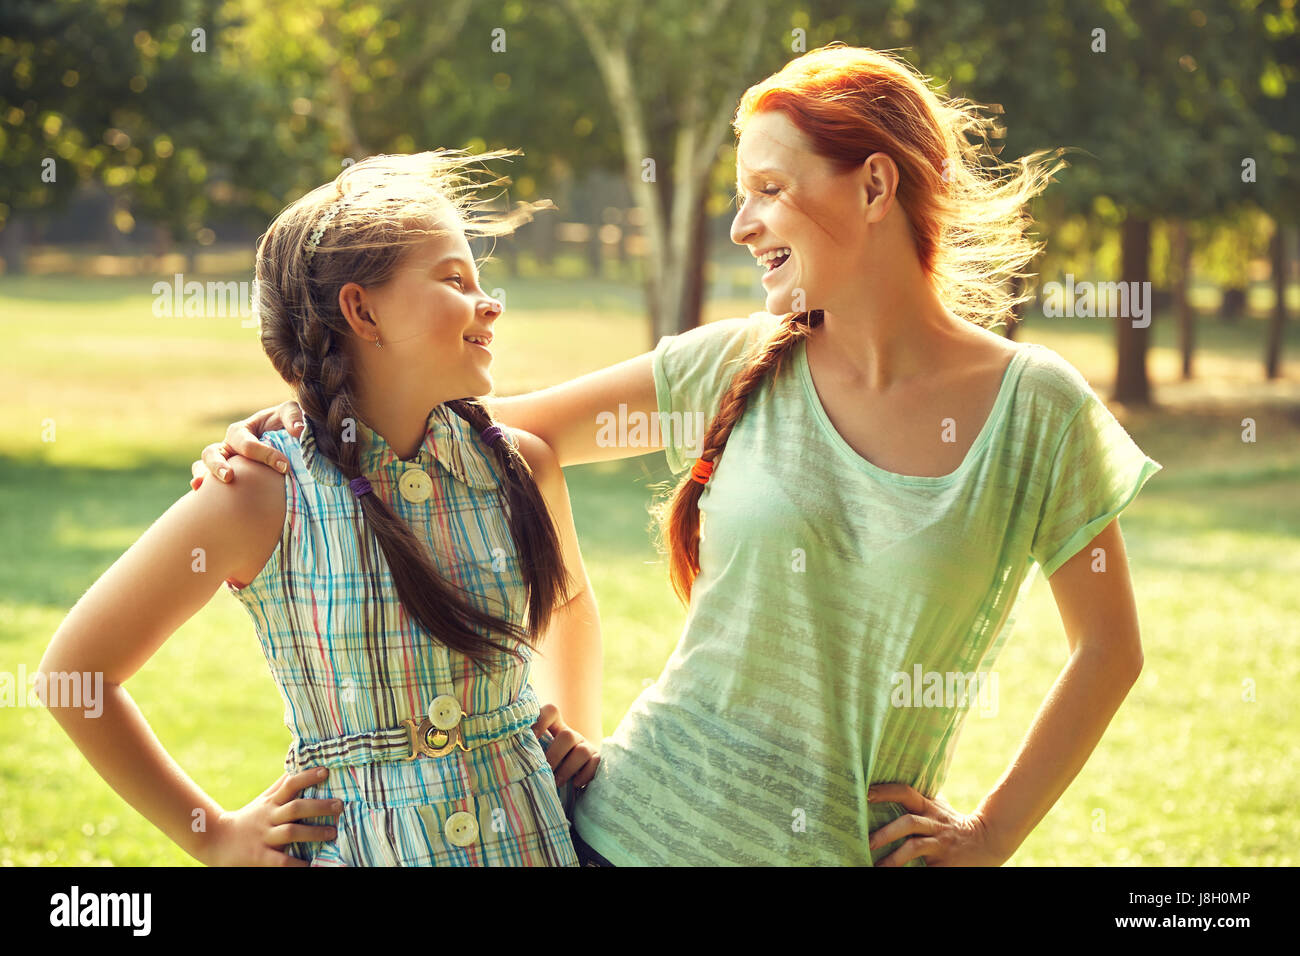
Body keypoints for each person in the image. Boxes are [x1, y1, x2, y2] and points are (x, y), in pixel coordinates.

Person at [194, 45, 1160, 866]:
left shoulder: (1037, 410)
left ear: (875, 184)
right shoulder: (734, 363)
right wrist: (293, 427)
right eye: (739, 197)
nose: (741, 226)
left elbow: (1109, 652)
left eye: (770, 191)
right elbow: (469, 433)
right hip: (624, 838)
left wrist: (989, 837)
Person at [39, 151, 603, 866]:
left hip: (531, 842)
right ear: (362, 310)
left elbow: (573, 600)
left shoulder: (521, 467)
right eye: (455, 279)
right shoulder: (260, 492)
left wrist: (575, 736)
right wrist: (213, 836)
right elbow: (75, 674)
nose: (490, 302)